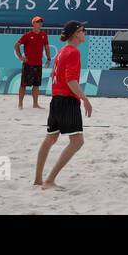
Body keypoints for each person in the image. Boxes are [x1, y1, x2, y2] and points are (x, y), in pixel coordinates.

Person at [34, 21, 91, 189]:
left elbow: (57, 76)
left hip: (56, 99)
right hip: (67, 100)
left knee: (50, 138)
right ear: (75, 34)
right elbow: (71, 79)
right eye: (83, 30)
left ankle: (38, 179)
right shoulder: (73, 52)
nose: (85, 33)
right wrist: (84, 99)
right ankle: (50, 180)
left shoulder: (61, 51)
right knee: (77, 141)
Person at [14, 15, 52, 110]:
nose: (40, 23)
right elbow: (16, 45)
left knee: (36, 85)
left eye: (41, 22)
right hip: (28, 64)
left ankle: (35, 104)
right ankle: (20, 104)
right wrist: (20, 56)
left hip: (38, 63)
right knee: (23, 85)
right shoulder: (27, 35)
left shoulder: (44, 35)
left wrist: (48, 59)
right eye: (38, 22)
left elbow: (46, 47)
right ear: (33, 24)